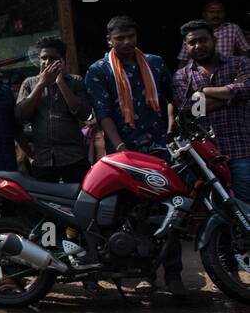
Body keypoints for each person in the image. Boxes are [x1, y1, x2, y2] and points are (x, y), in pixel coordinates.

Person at [84, 15, 184, 295]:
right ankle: (147, 275)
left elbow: (172, 99)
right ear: (109, 40)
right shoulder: (98, 70)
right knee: (134, 214)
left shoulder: (154, 63)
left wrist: (171, 131)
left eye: (131, 36)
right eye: (120, 38)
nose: (126, 42)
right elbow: (103, 113)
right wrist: (119, 148)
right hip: (126, 152)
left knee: (169, 211)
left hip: (159, 148)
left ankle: (174, 274)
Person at [173, 20, 250, 200]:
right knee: (218, 211)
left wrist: (204, 91)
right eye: (192, 42)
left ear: (214, 40)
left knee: (246, 206)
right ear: (186, 45)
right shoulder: (182, 76)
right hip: (207, 159)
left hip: (242, 149)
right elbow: (191, 110)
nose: (198, 46)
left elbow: (247, 88)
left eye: (203, 40)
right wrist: (231, 96)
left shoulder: (239, 63)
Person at [16, 36, 92, 184]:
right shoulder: (29, 84)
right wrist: (41, 85)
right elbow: (21, 116)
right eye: (43, 58)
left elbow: (84, 114)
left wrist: (61, 83)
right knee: (45, 204)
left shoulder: (76, 82)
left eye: (52, 58)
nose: (47, 62)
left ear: (62, 60)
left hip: (74, 157)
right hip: (43, 159)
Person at [177, 0, 249, 63]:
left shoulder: (233, 28)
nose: (215, 15)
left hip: (227, 71)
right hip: (197, 72)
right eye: (211, 12)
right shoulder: (194, 30)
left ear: (224, 14)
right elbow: (184, 59)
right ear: (204, 14)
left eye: (219, 12)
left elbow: (244, 51)